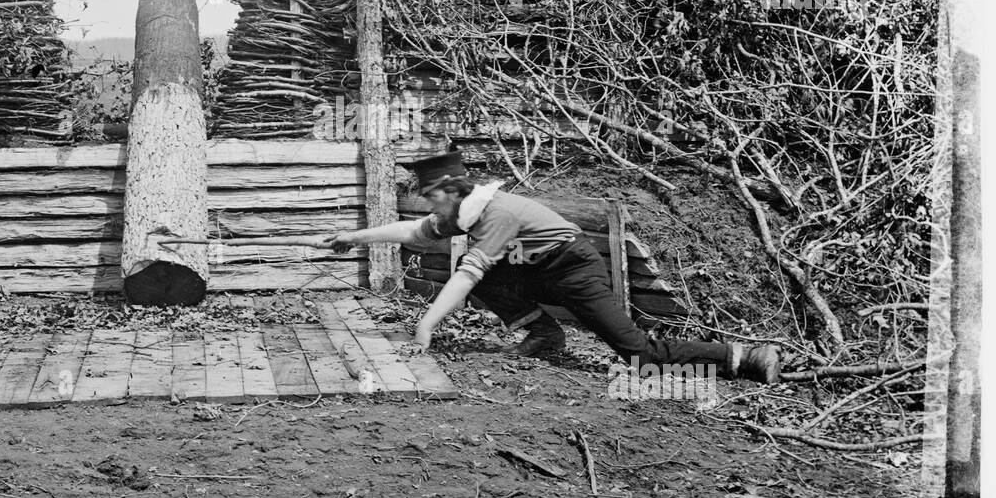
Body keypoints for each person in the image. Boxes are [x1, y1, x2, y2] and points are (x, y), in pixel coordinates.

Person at [322, 148, 780, 384]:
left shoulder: (495, 214)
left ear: (452, 190)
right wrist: (353, 237)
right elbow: (415, 234)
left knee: (638, 356)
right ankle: (545, 333)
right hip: (538, 268)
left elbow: (464, 278)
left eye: (430, 196)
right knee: (487, 275)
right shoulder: (462, 213)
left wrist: (425, 326)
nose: (426, 204)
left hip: (575, 268)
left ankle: (742, 357)